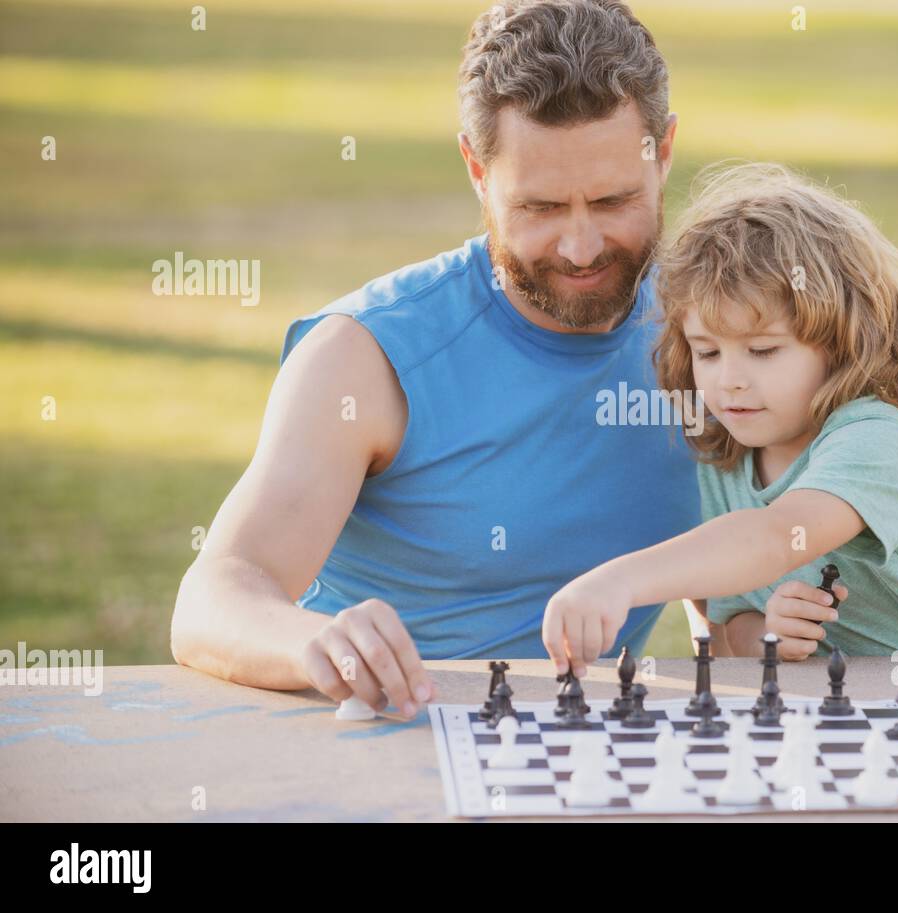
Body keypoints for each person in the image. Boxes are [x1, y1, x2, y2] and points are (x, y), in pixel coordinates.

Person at [170, 0, 703, 718]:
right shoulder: (363, 357)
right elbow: (217, 594)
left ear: (662, 153)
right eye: (541, 209)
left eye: (613, 201)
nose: (581, 248)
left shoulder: (713, 334)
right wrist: (315, 642)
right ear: (477, 171)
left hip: (587, 756)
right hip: (381, 745)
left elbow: (736, 542)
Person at [543, 161, 898, 676]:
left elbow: (775, 537)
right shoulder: (723, 460)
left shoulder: (874, 441)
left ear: (841, 344)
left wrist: (618, 581)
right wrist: (770, 634)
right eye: (707, 353)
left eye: (764, 350)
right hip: (848, 718)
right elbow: (731, 628)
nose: (729, 380)